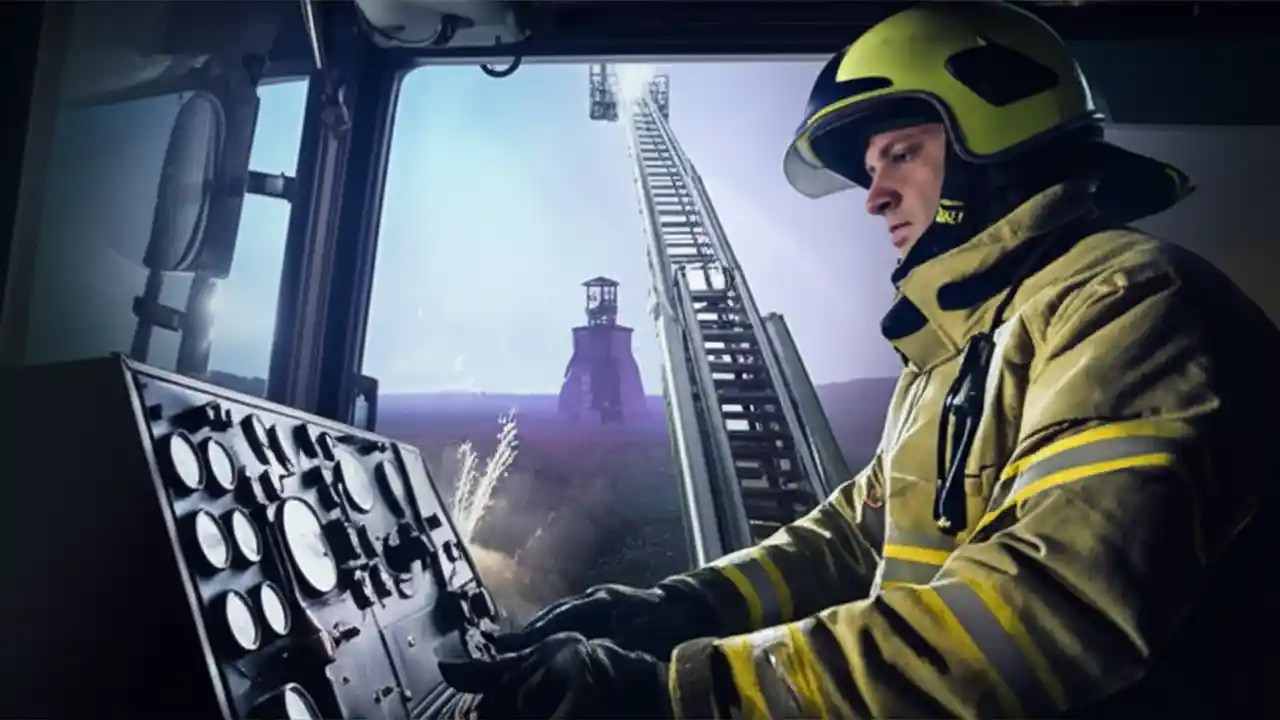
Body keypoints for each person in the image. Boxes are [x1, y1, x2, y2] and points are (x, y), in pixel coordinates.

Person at [439, 2, 1280, 717]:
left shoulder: (1131, 306)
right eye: (872, 169)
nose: (874, 196)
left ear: (996, 133)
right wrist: (681, 604)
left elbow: (1054, 609)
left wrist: (680, 691)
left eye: (901, 155)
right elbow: (854, 534)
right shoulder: (957, 347)